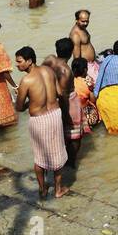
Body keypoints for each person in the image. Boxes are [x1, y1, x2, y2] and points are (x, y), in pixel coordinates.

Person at [15, 46, 68, 199]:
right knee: (57, 152)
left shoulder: (26, 80)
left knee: (39, 157)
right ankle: (58, 189)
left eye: (19, 62)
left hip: (39, 119)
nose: (17, 65)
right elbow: (59, 93)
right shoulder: (49, 70)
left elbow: (19, 107)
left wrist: (26, 100)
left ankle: (43, 189)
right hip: (55, 115)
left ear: (29, 61)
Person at [45, 38, 80, 166]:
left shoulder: (50, 60)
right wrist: (66, 115)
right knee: (75, 135)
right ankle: (71, 163)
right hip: (68, 102)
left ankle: (60, 160)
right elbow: (63, 95)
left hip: (49, 100)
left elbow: (41, 74)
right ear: (71, 52)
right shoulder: (66, 71)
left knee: (58, 133)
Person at [71, 57, 99, 133]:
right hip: (86, 115)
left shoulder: (70, 81)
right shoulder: (88, 82)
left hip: (73, 114)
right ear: (85, 70)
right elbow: (93, 100)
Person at [70, 9, 97, 82]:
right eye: (83, 21)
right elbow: (76, 58)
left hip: (92, 64)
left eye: (87, 21)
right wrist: (84, 74)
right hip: (86, 68)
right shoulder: (76, 35)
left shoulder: (82, 28)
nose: (85, 23)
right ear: (77, 20)